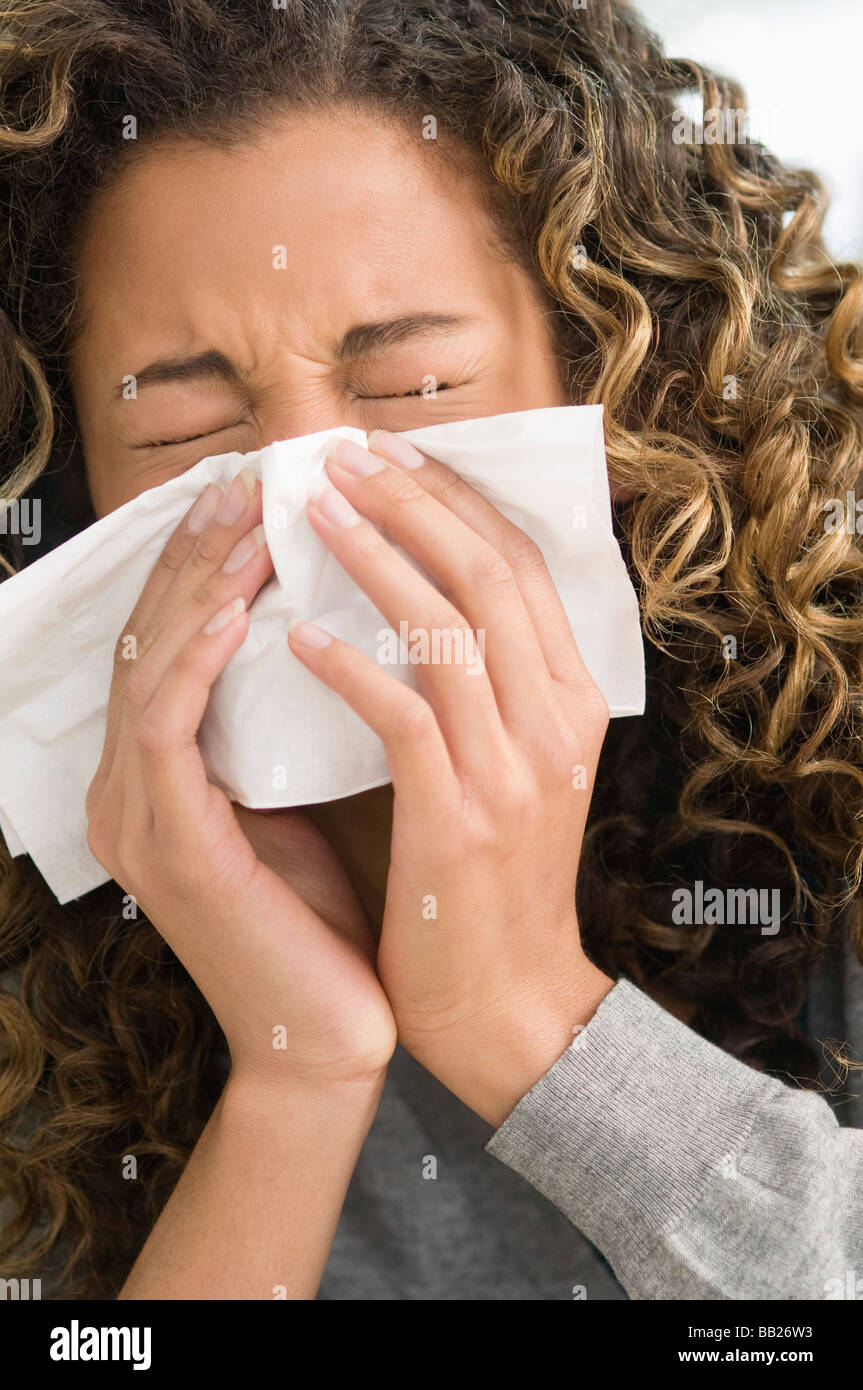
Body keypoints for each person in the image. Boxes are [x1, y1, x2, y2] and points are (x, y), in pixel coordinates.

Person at [1, 0, 862, 1301]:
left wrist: (526, 1022)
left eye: (412, 392)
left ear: (623, 390)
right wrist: (297, 1075)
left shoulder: (835, 787)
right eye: (186, 432)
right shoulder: (32, 968)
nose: (306, 516)